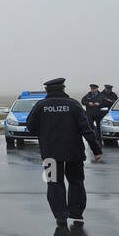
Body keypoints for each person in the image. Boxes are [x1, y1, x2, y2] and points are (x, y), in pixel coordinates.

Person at [26, 77, 103, 226]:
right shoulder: (73, 104)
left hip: (50, 154)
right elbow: (87, 128)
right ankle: (76, 213)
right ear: (63, 89)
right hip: (74, 153)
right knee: (76, 182)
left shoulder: (41, 106)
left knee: (54, 183)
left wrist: (44, 133)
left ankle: (60, 215)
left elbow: (30, 127)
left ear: (47, 90)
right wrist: (96, 149)